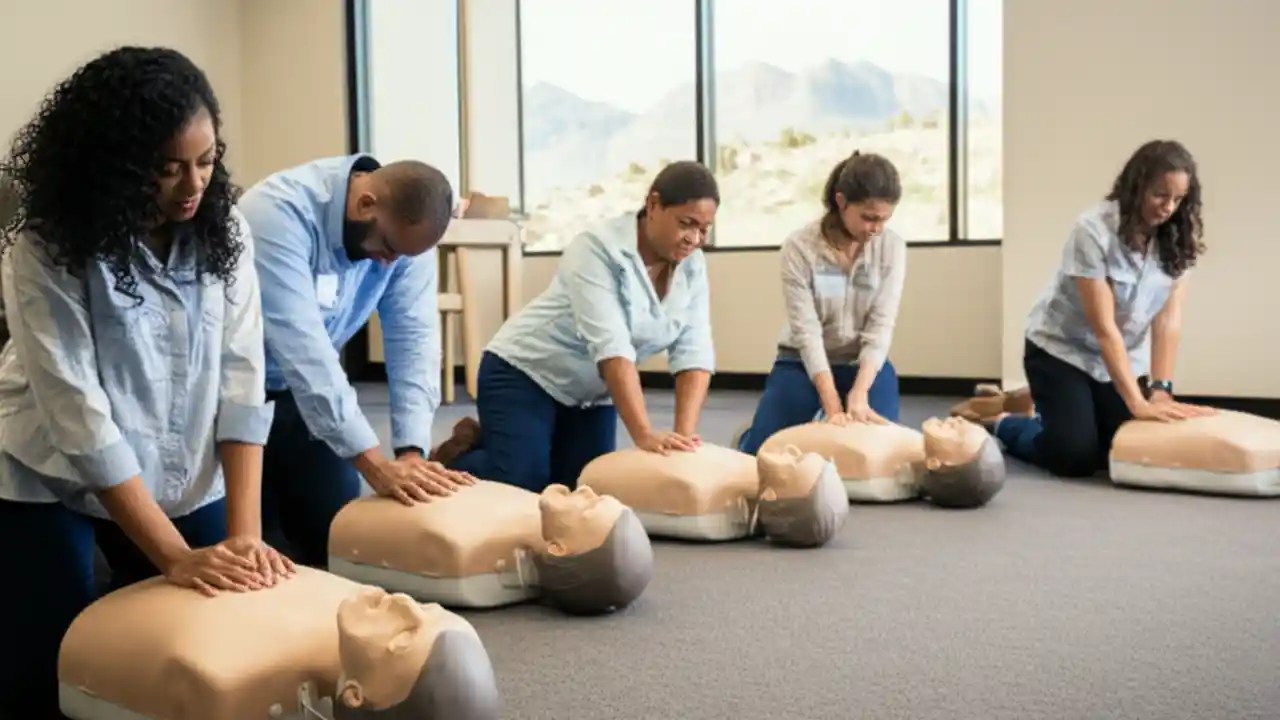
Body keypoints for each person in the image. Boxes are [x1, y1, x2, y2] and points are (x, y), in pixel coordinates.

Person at [0, 46, 289, 720]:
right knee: (53, 664)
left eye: (207, 160)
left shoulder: (229, 233)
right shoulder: (45, 244)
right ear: (117, 167)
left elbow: (243, 380)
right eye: (167, 169)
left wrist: (242, 536)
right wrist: (173, 556)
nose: (193, 186)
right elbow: (78, 413)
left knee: (221, 625)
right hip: (44, 468)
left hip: (176, 463)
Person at [237, 154, 472, 568]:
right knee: (255, 554)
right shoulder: (274, 213)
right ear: (366, 205)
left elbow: (413, 338)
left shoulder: (405, 238)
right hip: (234, 398)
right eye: (386, 249)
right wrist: (373, 463)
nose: (389, 263)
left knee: (337, 539)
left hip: (302, 401)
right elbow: (304, 351)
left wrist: (411, 450)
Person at [430, 161, 720, 493]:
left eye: (704, 229)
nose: (694, 239)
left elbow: (693, 351)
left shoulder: (692, 266)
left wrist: (683, 439)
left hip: (589, 395)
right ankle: (454, 458)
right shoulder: (597, 248)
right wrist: (643, 434)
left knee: (584, 489)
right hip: (523, 373)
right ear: (653, 205)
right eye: (686, 224)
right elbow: (611, 347)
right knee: (522, 484)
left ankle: (506, 440)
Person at [973, 139, 1215, 478]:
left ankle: (1032, 398)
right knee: (1075, 456)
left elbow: (1167, 321)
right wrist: (1136, 402)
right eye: (1160, 194)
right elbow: (1104, 328)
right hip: (1062, 351)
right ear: (1137, 186)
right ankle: (1005, 420)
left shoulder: (1178, 239)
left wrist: (1161, 390)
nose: (1167, 207)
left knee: (1119, 448)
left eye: (1178, 199)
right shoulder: (1094, 230)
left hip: (1119, 359)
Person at [735, 150, 906, 455]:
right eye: (868, 218)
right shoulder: (799, 248)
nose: (875, 229)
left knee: (878, 452)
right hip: (800, 362)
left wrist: (859, 393)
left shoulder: (891, 247)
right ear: (841, 202)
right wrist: (832, 408)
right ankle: (751, 434)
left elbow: (882, 325)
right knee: (762, 455)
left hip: (862, 363)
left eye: (884, 219)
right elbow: (807, 332)